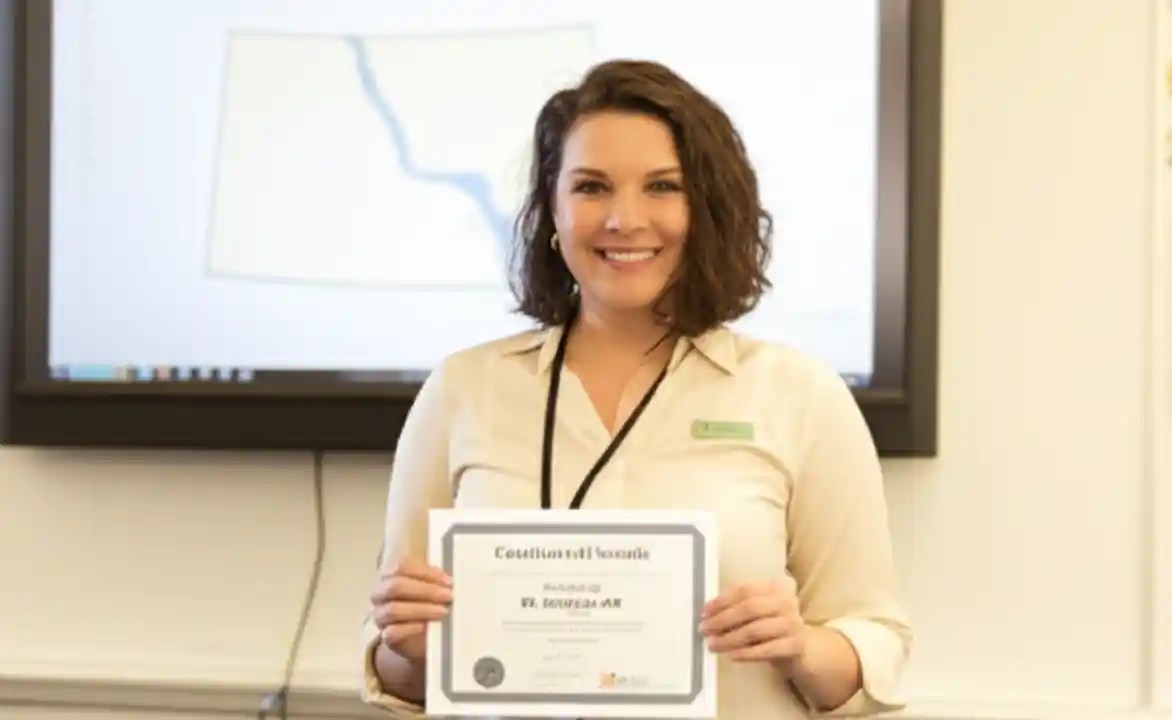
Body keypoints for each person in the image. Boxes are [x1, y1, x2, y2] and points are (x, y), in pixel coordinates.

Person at [360, 58, 912, 719]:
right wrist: (410, 648)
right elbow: (398, 671)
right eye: (591, 187)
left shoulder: (800, 393)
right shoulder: (463, 390)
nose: (624, 218)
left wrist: (800, 647)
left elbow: (874, 646)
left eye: (662, 187)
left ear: (707, 210)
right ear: (553, 210)